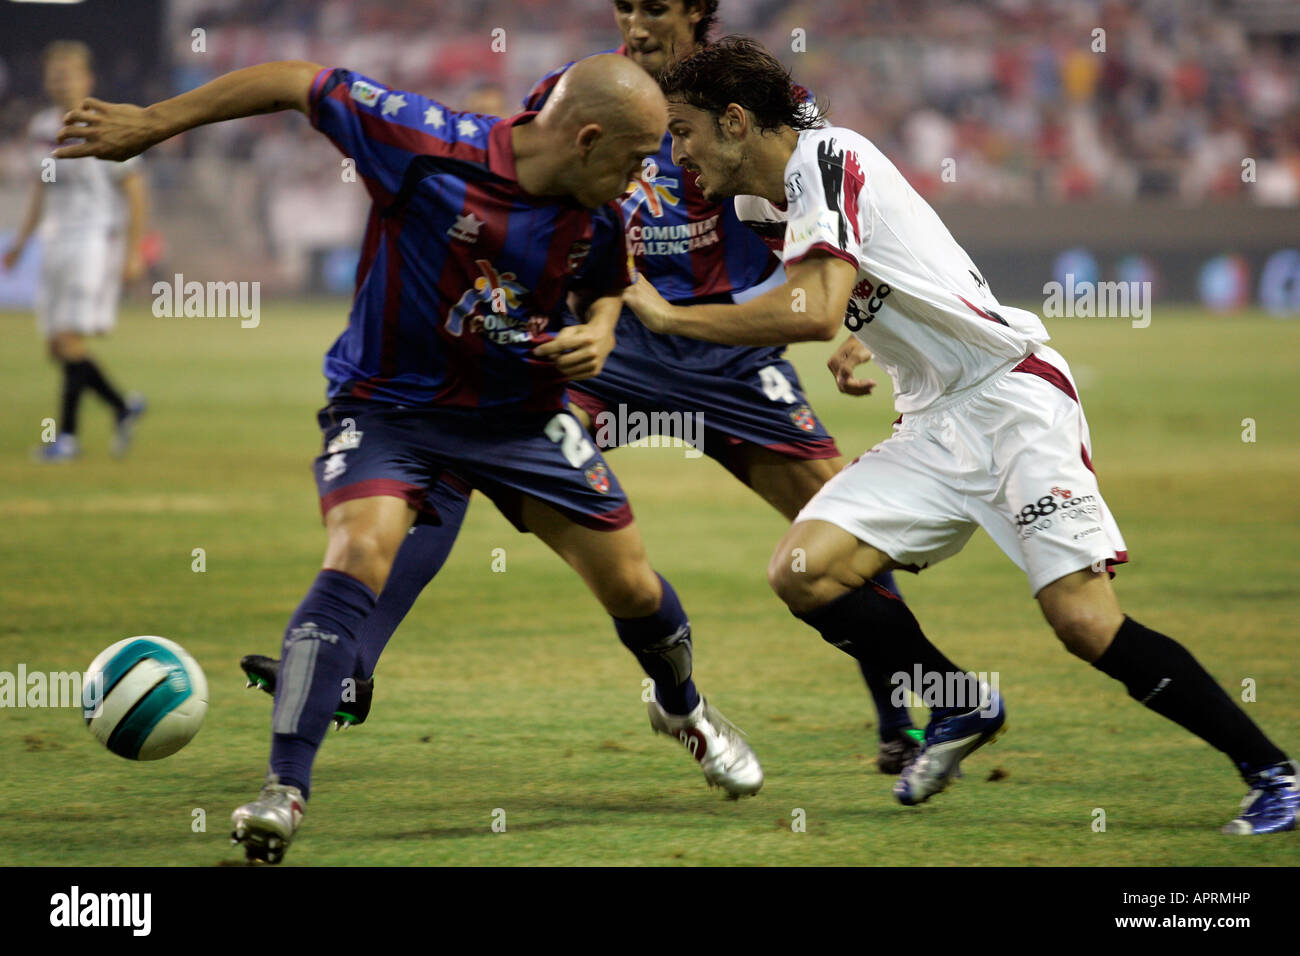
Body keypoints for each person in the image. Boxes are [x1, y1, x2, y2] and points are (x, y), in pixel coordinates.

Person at [57, 53, 763, 863]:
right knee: (359, 550)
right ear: (588, 137)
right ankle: (283, 791)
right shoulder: (427, 146)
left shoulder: (598, 210)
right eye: (638, 158)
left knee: (632, 584)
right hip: (391, 407)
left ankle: (684, 709)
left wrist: (602, 327)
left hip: (521, 418)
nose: (647, 176)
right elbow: (298, 80)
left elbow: (604, 282)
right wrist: (154, 123)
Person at [621, 37, 1297, 835]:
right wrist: (865, 333)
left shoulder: (827, 161)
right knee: (805, 569)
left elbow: (812, 306)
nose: (677, 152)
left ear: (734, 121)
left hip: (1012, 404)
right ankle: (957, 702)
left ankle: (1273, 774)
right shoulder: (758, 203)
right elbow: (888, 269)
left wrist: (669, 318)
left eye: (685, 130)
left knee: (1083, 624)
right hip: (935, 423)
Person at [242, 0, 926, 776]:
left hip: (730, 346)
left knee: (836, 515)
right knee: (462, 455)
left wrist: (862, 317)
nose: (637, 23)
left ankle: (900, 713)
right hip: (620, 345)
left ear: (698, 11)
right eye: (625, 6)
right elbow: (522, 188)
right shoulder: (582, 94)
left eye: (656, 7)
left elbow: (837, 199)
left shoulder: (752, 99)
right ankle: (354, 663)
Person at [3, 41, 146, 462]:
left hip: (94, 239)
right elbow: (41, 188)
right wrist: (21, 241)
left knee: (68, 338)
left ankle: (66, 439)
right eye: (54, 74)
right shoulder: (41, 127)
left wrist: (134, 252)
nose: (60, 81)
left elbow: (134, 191)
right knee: (55, 344)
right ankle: (122, 407)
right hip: (55, 239)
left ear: (87, 79)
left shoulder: (104, 122)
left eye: (68, 73)